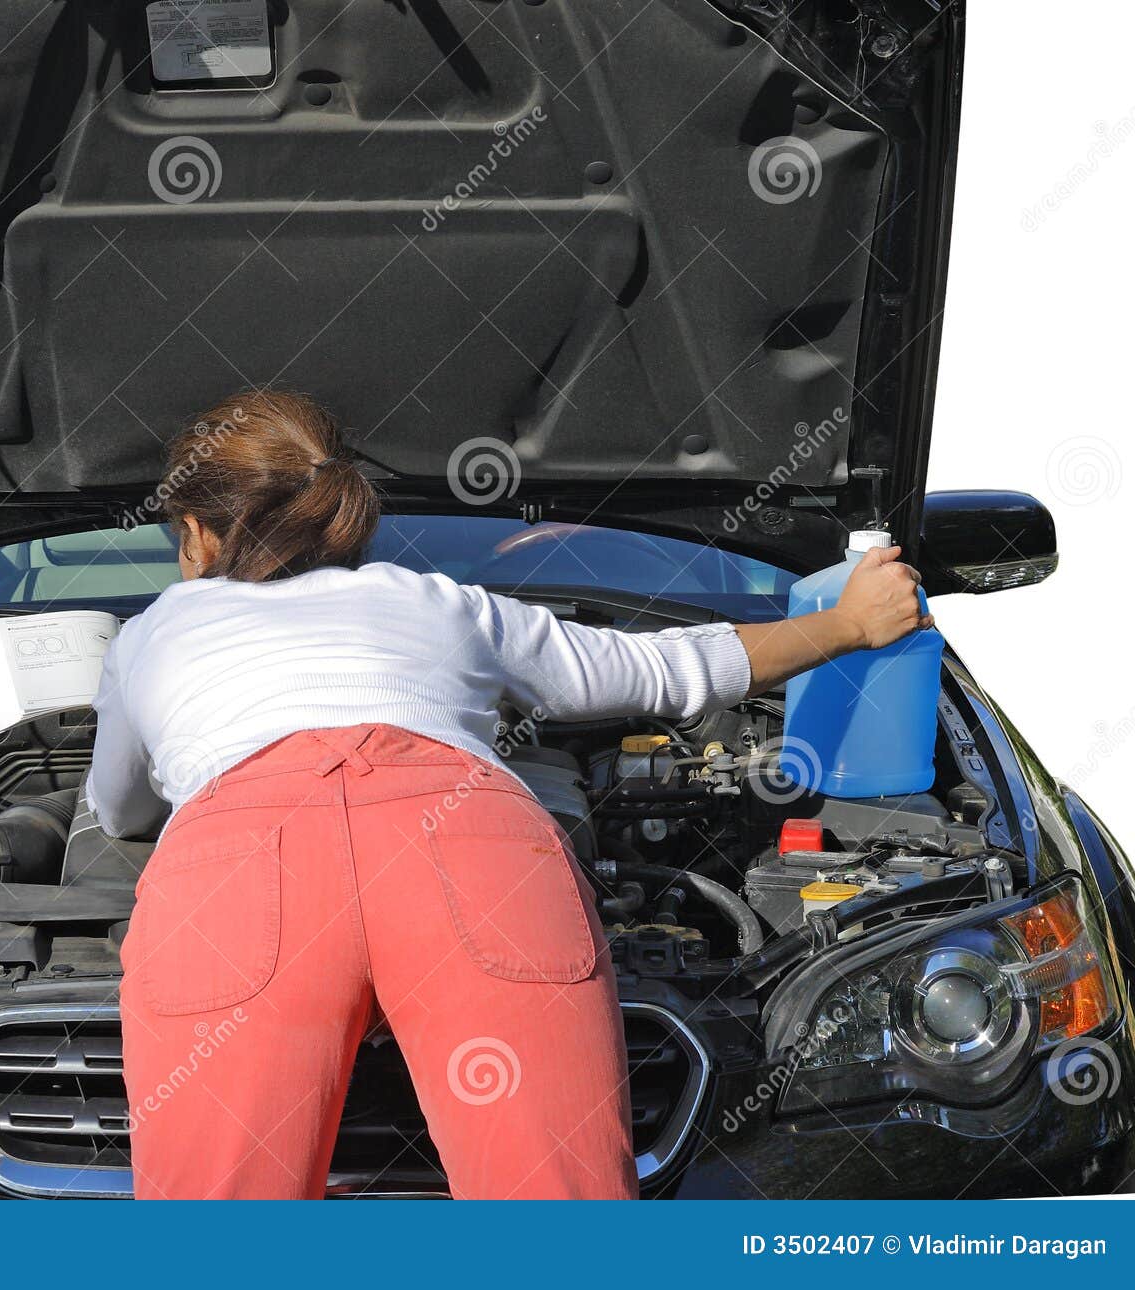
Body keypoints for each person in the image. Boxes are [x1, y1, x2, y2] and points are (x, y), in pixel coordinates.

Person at [87, 389, 931, 1200]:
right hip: (469, 847)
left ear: (195, 533)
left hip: (237, 877)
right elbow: (665, 670)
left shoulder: (151, 634)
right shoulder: (440, 603)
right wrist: (851, 623)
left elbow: (118, 808)